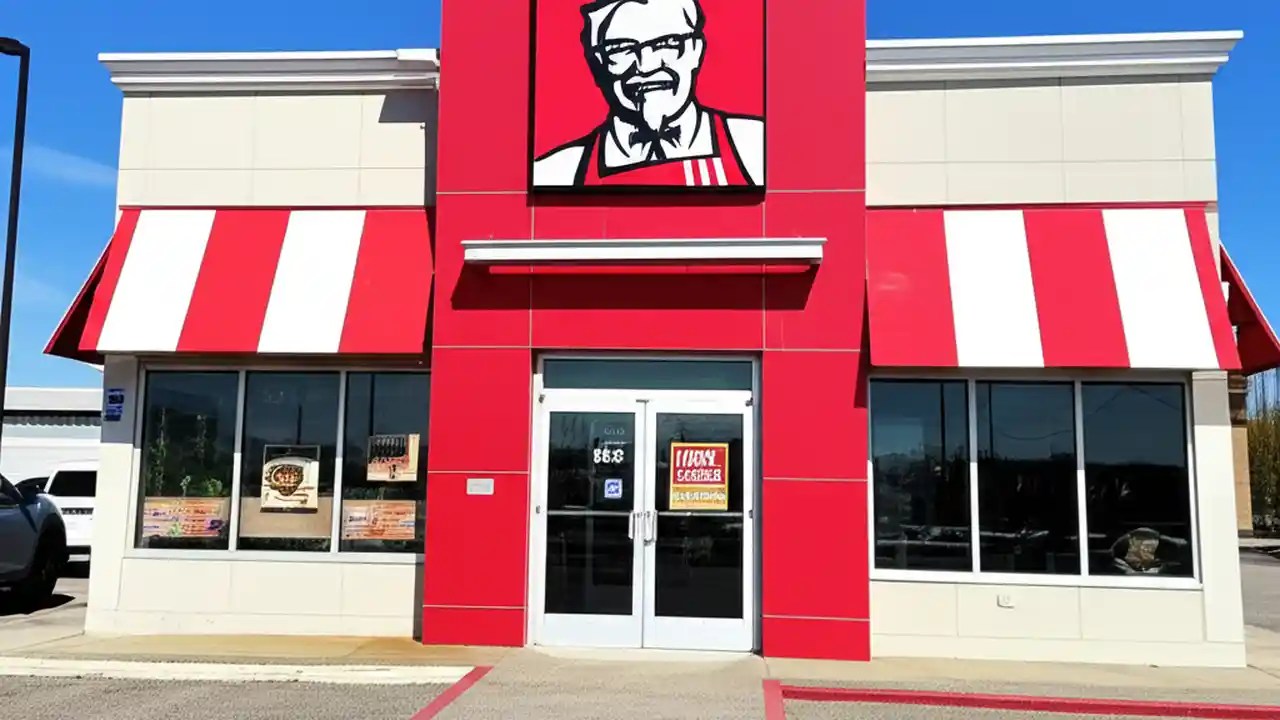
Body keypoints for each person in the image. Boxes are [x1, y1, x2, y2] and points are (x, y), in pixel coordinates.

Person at [534, 0, 764, 188]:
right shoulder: (557, 173)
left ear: (696, 50)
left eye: (667, 43)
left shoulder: (752, 146)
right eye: (621, 49)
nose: (645, 66)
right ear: (598, 64)